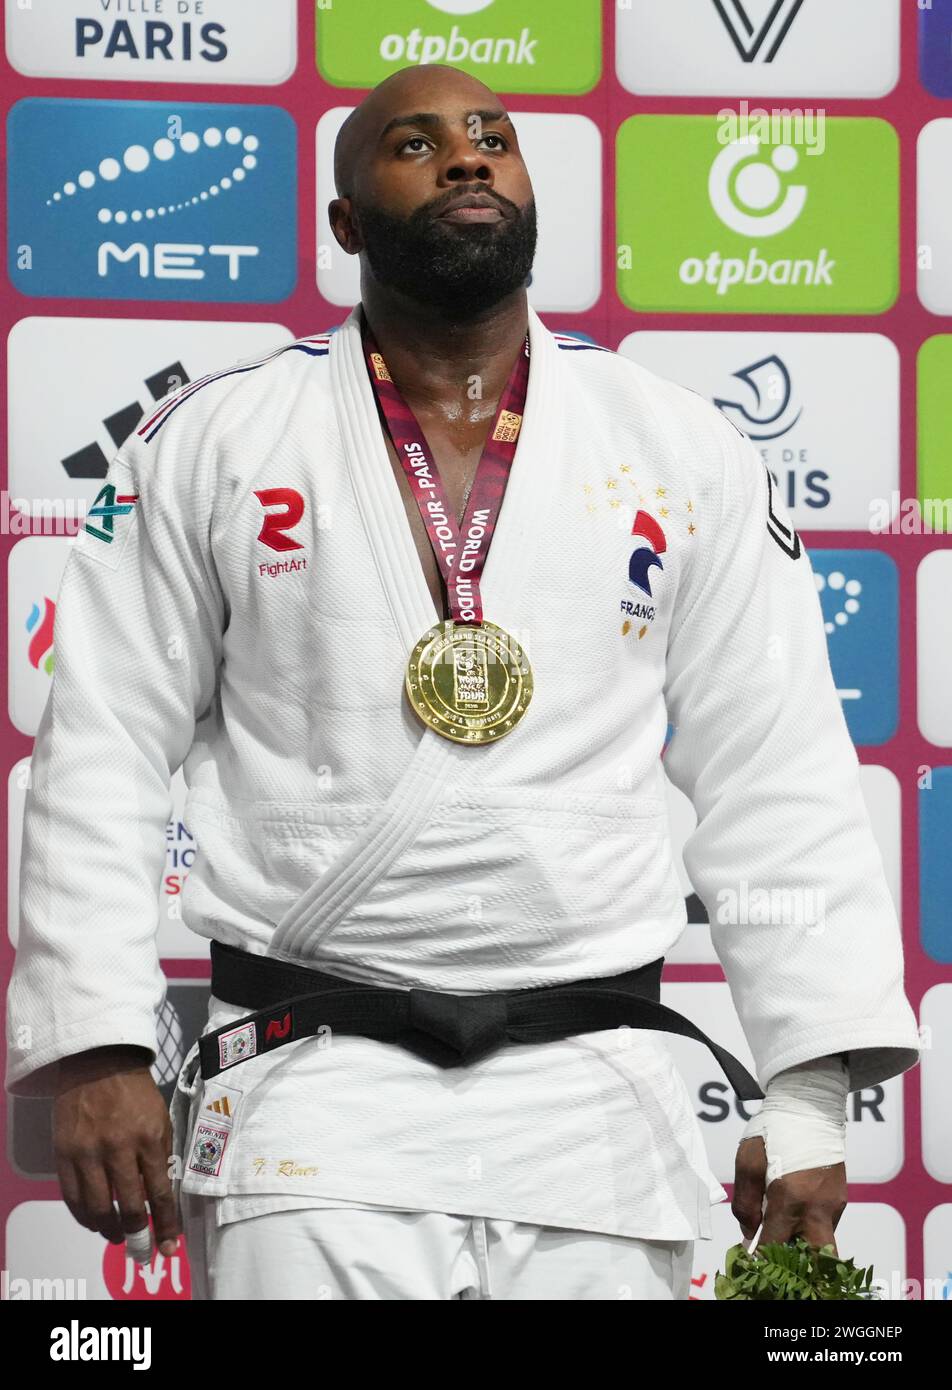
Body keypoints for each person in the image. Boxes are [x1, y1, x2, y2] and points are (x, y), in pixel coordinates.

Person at [5, 64, 920, 1301]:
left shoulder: (676, 444)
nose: (467, 159)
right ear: (344, 222)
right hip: (311, 1095)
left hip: (597, 1101)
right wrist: (99, 1047)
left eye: (492, 138)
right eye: (415, 145)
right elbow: (102, 743)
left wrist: (806, 1093)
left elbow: (779, 771)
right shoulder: (216, 443)